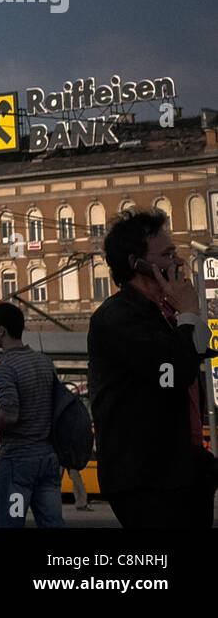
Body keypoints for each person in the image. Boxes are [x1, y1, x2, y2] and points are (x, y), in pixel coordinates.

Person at [88, 209, 215, 529]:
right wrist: (188, 314)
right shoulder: (118, 318)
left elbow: (195, 353)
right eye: (167, 254)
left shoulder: (165, 315)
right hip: (146, 478)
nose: (179, 262)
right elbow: (173, 371)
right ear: (137, 263)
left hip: (182, 471)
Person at [0, 302, 64, 528]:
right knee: (52, 522)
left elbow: (9, 415)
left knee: (11, 522)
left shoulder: (6, 366)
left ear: (2, 330)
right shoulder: (44, 362)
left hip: (18, 464)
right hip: (47, 460)